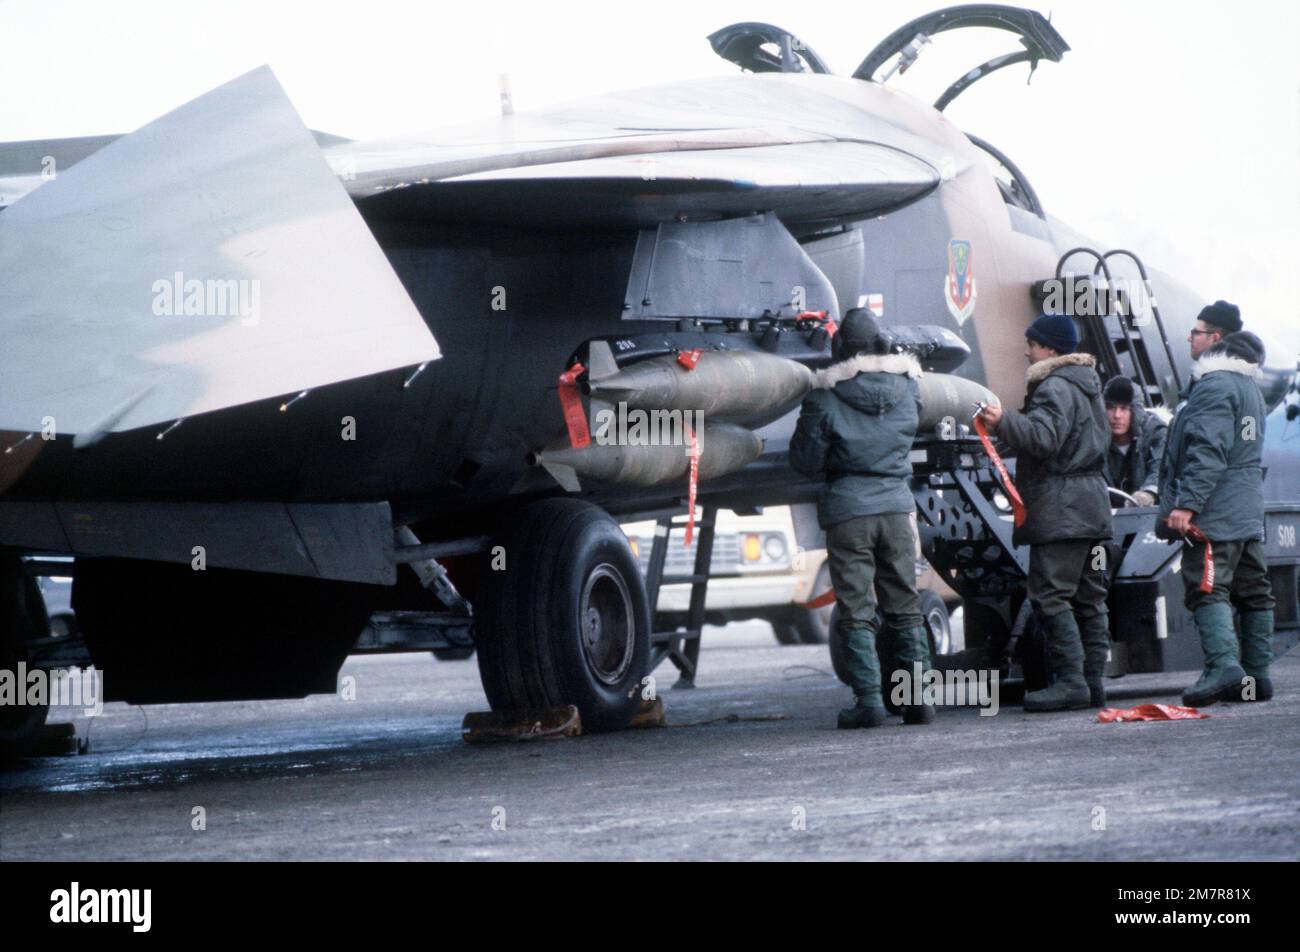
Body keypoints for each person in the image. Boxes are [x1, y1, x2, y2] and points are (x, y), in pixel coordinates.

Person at [789, 308, 932, 729]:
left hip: (849, 510)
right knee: (904, 605)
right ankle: (918, 700)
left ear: (840, 349)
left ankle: (869, 701)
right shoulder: (909, 390)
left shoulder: (824, 396)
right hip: (896, 508)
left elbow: (805, 461)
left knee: (856, 608)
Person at [978, 313, 1113, 711]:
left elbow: (1043, 439)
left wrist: (1002, 421)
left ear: (1050, 349)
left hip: (1061, 509)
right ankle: (1093, 684)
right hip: (1091, 505)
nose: (1026, 350)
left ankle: (1071, 682)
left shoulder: (1053, 386)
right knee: (1090, 598)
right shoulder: (1089, 386)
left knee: (1050, 596)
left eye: (1032, 344)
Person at [1156, 325, 1275, 704]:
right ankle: (1256, 678)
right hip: (1246, 510)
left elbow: (1207, 451)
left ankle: (1223, 667)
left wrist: (1186, 504)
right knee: (1254, 592)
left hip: (1216, 511)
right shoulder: (1249, 390)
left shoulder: (1213, 387)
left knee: (1207, 588)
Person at [1101, 376, 1168, 507]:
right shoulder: (1095, 438)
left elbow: (1161, 467)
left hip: (1150, 515)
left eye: (1124, 408)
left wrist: (1149, 492)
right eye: (1111, 407)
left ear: (1136, 411)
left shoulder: (1156, 432)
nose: (1117, 415)